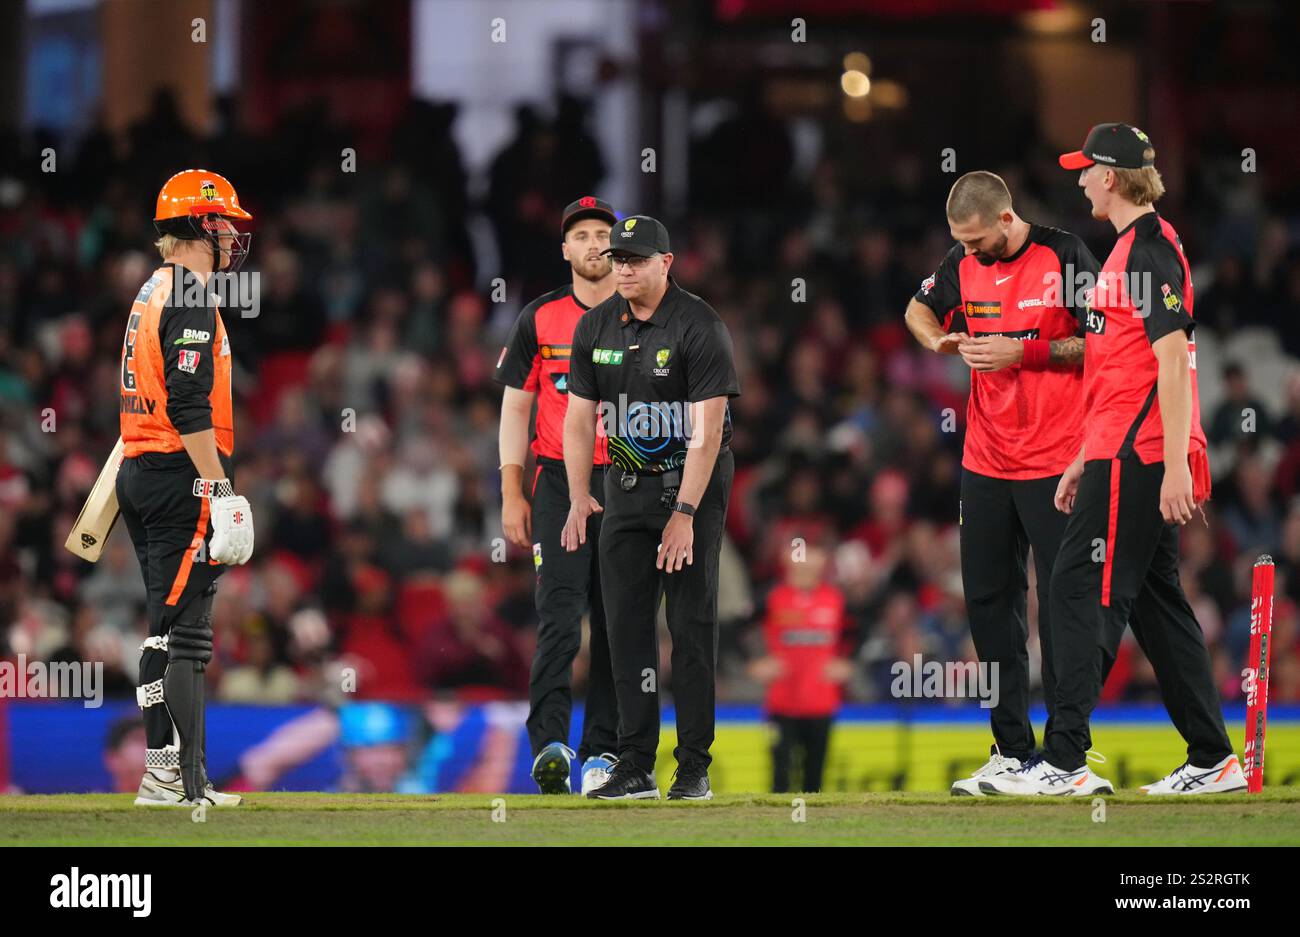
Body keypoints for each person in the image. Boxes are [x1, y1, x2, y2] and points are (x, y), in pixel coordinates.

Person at [985, 123, 1244, 795]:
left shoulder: (1149, 251)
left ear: (1111, 176)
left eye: (1084, 171)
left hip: (1140, 453)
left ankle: (1065, 760)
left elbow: (1173, 364)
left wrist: (1179, 463)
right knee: (1156, 604)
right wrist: (1081, 456)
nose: (1076, 181)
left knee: (1077, 589)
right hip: (1116, 449)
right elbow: (1115, 370)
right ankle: (1212, 756)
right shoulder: (1128, 250)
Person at [905, 171, 1100, 795]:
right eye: (958, 242)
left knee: (1064, 605)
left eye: (975, 239)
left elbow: (1105, 342)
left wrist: (1027, 354)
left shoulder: (1065, 255)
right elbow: (915, 308)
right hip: (986, 460)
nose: (966, 252)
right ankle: (1012, 751)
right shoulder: (962, 263)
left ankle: (1067, 756)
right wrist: (938, 338)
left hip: (1056, 459)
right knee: (989, 602)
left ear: (1007, 220)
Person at [561, 215, 740, 800]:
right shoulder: (595, 327)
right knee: (624, 630)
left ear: (667, 263)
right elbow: (580, 416)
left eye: (636, 260)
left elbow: (708, 432)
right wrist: (576, 494)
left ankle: (692, 766)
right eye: (617, 259)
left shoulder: (700, 325)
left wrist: (685, 514)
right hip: (625, 486)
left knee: (691, 629)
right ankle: (634, 763)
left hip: (689, 488)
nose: (624, 269)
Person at [119, 169, 255, 806]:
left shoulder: (150, 289)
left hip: (144, 471)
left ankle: (189, 779)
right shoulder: (191, 293)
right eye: (224, 222)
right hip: (179, 476)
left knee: (180, 630)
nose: (232, 235)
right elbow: (189, 405)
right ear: (201, 224)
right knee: (175, 633)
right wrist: (221, 488)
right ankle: (165, 775)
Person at [495, 196, 622, 794]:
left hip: (627, 482)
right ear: (565, 249)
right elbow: (515, 405)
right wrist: (510, 492)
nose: (594, 243)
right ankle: (549, 746)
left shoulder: (643, 314)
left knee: (618, 622)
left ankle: (603, 754)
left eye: (604, 233)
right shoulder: (539, 318)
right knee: (559, 618)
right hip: (553, 484)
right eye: (582, 234)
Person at [751, 539, 853, 793]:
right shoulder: (771, 598)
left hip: (821, 704)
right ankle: (779, 827)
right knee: (780, 776)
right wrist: (754, 663)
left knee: (814, 778)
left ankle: (810, 827)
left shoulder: (835, 600)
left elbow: (858, 638)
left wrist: (848, 665)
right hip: (781, 704)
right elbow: (739, 631)